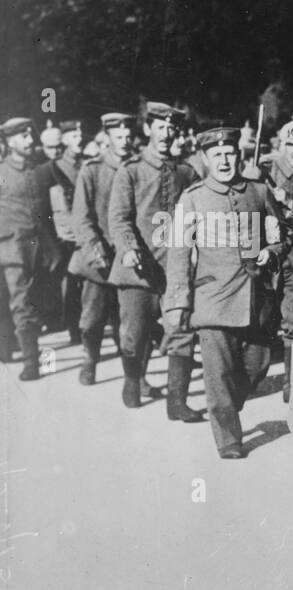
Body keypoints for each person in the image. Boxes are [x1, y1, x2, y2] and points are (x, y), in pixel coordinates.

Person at [164, 127, 285, 458]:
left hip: (255, 297)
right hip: (212, 299)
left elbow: (278, 235)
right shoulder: (192, 198)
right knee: (217, 375)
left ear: (240, 155)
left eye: (230, 153)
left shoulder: (259, 192)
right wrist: (178, 301)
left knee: (258, 365)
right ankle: (229, 439)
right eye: (217, 155)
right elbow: (177, 252)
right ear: (205, 158)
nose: (225, 161)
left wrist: (271, 252)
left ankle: (230, 404)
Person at [107, 101, 201, 416]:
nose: (165, 134)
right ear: (148, 129)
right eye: (159, 127)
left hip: (175, 269)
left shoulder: (186, 172)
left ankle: (177, 402)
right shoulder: (130, 170)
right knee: (134, 334)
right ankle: (133, 379)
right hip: (138, 271)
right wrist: (129, 247)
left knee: (181, 331)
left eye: (170, 128)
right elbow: (119, 218)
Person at [254, 107, 293, 402]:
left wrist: (289, 203)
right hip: (266, 256)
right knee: (261, 318)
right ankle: (249, 373)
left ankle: (291, 385)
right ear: (281, 145)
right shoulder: (265, 169)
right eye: (292, 145)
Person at [69, 113, 133, 385]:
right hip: (99, 258)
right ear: (107, 138)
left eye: (129, 136)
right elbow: (81, 218)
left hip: (128, 257)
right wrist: (97, 254)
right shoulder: (92, 170)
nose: (125, 142)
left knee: (130, 322)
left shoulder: (136, 167)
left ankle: (135, 376)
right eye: (118, 137)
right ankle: (90, 360)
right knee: (93, 319)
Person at [0, 116, 58, 380]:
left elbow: (48, 207)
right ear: (10, 142)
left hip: (41, 246)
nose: (30, 139)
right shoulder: (2, 172)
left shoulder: (38, 169)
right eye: (23, 136)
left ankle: (35, 351)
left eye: (29, 134)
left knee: (37, 300)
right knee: (21, 303)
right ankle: (31, 363)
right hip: (13, 247)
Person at [34, 119, 85, 343]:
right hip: (61, 237)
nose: (54, 152)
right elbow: (41, 211)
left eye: (57, 147)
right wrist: (51, 242)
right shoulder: (44, 171)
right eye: (50, 148)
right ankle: (72, 328)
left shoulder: (81, 164)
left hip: (81, 231)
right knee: (70, 282)